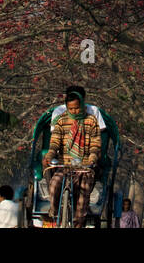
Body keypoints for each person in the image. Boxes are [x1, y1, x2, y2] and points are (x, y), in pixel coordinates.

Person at [42, 87, 101, 227]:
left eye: (77, 108)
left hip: (84, 168)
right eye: (71, 108)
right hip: (65, 166)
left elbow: (95, 144)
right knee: (54, 185)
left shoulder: (91, 121)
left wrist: (93, 158)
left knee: (81, 206)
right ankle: (55, 212)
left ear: (82, 104)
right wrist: (50, 155)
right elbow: (55, 142)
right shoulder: (61, 121)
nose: (74, 111)